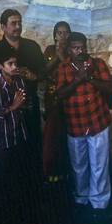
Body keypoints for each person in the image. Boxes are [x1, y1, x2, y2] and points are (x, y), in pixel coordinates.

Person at [54, 33, 112, 211]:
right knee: (79, 165)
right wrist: (78, 79)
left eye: (82, 47)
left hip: (98, 123)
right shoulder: (63, 68)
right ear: (69, 50)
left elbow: (110, 88)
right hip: (75, 125)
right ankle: (81, 196)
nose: (80, 51)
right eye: (75, 48)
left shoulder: (97, 64)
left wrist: (90, 78)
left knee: (99, 165)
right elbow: (61, 94)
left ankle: (99, 201)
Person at [0, 9, 46, 151]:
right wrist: (4, 79)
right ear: (3, 27)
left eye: (19, 23)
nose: (18, 27)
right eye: (13, 23)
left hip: (29, 107)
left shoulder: (32, 47)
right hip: (4, 113)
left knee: (32, 148)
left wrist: (33, 76)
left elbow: (43, 73)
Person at [0, 52, 31, 224]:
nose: (14, 66)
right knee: (4, 182)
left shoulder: (18, 81)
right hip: (3, 141)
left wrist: (23, 106)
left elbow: (25, 104)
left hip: (20, 136)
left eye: (15, 63)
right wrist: (12, 108)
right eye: (9, 63)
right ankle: (3, 221)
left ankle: (19, 218)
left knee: (19, 179)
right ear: (0, 66)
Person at [41, 21, 72, 183]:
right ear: (54, 36)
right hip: (52, 97)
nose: (63, 36)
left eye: (66, 32)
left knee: (66, 133)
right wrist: (57, 57)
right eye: (59, 33)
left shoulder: (73, 50)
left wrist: (63, 56)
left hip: (69, 95)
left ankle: (66, 169)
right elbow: (43, 70)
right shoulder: (50, 50)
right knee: (52, 133)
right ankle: (51, 170)